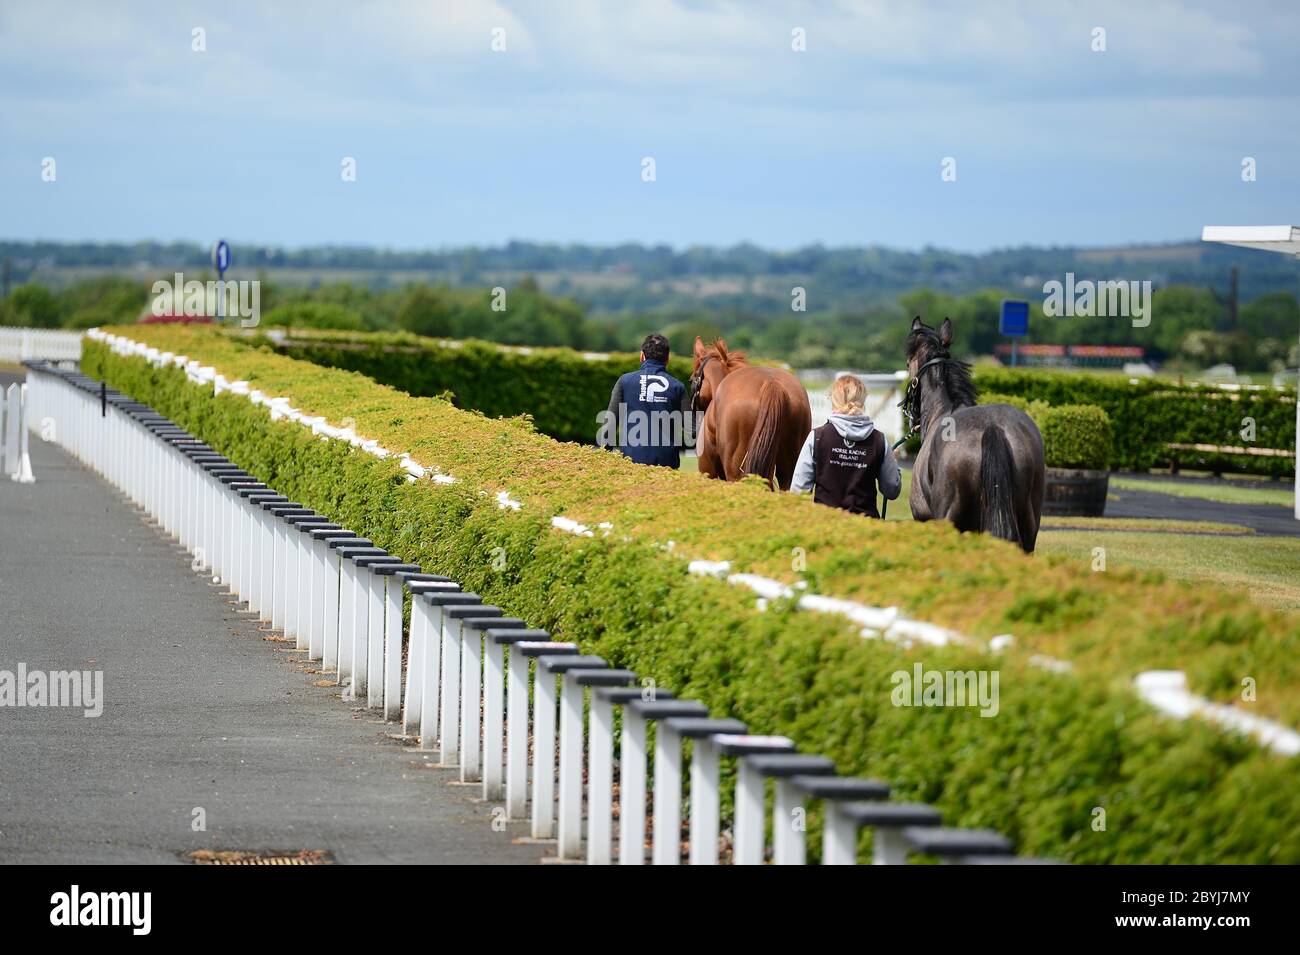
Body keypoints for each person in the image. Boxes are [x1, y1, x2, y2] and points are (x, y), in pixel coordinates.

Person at [790, 374, 901, 517]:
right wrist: (893, 462)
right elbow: (891, 491)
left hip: (823, 525)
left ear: (832, 398)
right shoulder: (880, 440)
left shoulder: (817, 437)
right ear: (863, 400)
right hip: (867, 528)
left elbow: (798, 493)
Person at [602, 333, 692, 468]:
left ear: (642, 356)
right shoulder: (678, 386)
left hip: (630, 461)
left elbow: (610, 422)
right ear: (667, 359)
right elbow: (692, 428)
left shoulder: (624, 381)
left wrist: (604, 455)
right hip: (666, 463)